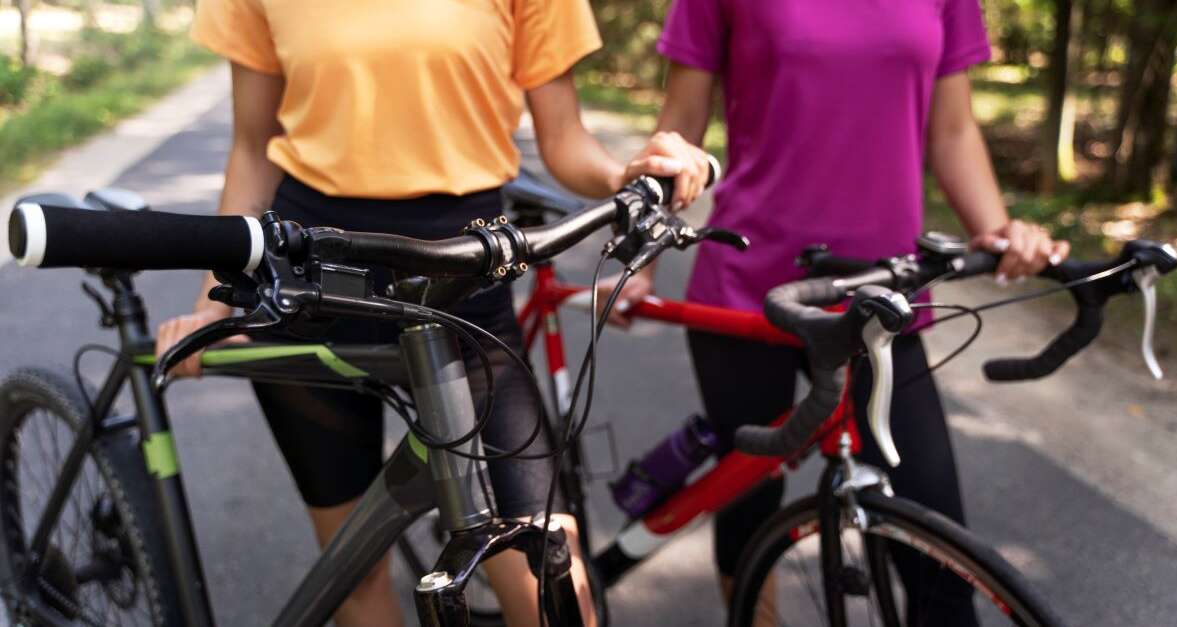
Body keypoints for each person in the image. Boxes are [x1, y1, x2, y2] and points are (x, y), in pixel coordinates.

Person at [155, 2, 711, 626]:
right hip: (309, 282)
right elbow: (253, 148)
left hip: (464, 277)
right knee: (356, 576)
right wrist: (210, 303)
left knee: (549, 583)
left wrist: (624, 174)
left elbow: (563, 139)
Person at [601, 0, 1071, 623]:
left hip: (886, 299)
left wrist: (998, 234)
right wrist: (642, 258)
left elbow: (952, 129)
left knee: (937, 549)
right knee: (748, 510)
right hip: (749, 292)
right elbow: (682, 123)